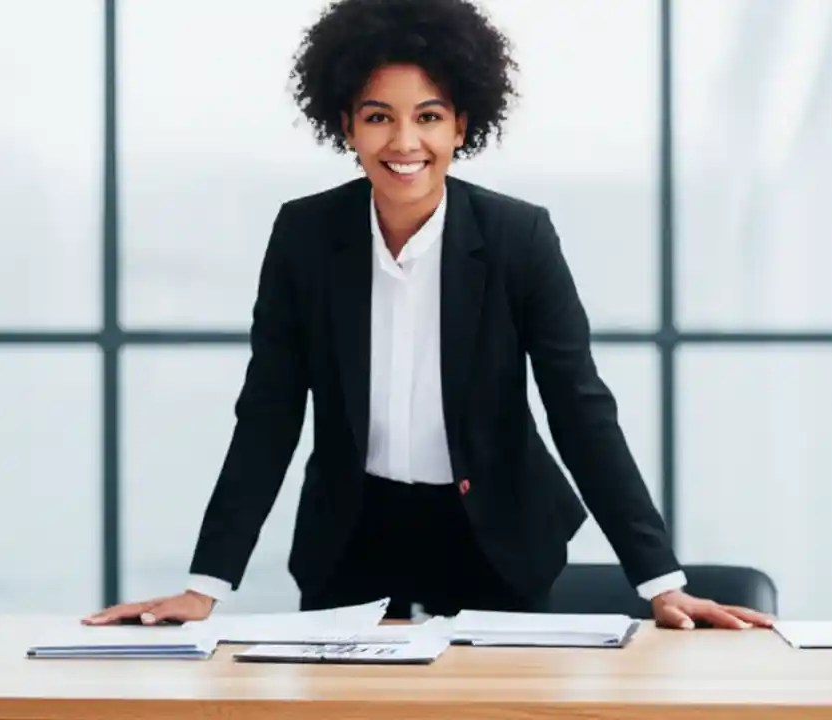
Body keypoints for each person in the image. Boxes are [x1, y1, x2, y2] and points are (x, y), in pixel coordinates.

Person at [86, 0, 772, 631]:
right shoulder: (305, 237)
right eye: (379, 115)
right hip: (354, 535)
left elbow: (580, 408)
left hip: (495, 533)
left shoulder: (517, 238)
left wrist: (660, 581)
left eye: (430, 116)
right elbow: (268, 415)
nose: (404, 141)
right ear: (347, 125)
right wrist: (207, 584)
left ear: (462, 125)